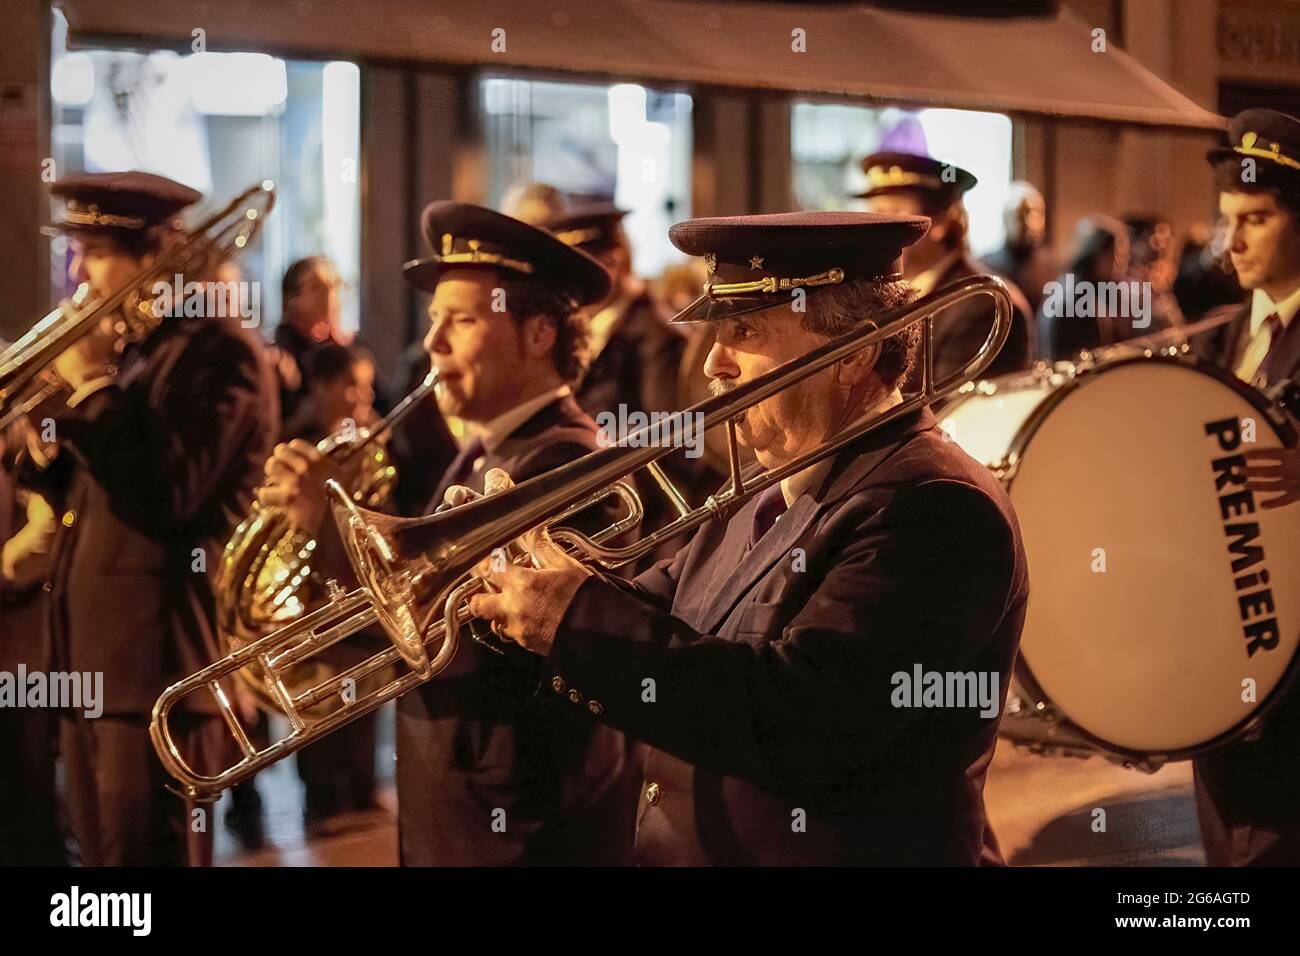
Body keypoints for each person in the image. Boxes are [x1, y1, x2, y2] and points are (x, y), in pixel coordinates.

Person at [463, 211, 1029, 865]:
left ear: (856, 353)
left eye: (745, 331)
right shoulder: (759, 486)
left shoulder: (936, 510)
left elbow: (797, 721)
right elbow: (656, 611)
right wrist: (519, 583)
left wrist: (576, 617)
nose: (713, 364)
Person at [257, 202, 636, 865]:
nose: (432, 342)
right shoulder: (484, 452)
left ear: (540, 333)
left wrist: (328, 526)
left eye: (460, 321)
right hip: (462, 811)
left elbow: (466, 630)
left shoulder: (564, 461)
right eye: (435, 320)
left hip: (516, 826)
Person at [17, 171, 279, 865]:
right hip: (91, 661)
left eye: (96, 250)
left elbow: (169, 494)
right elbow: (97, 497)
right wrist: (41, 446)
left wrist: (94, 388)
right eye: (77, 249)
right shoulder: (135, 354)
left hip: (160, 672)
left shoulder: (222, 354)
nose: (77, 272)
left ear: (157, 260)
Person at [1193, 108, 1300, 866]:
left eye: (1256, 219)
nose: (1233, 242)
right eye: (1228, 218)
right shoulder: (1226, 334)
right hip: (1225, 653)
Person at [544, 202, 701, 566]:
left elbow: (675, 450)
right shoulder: (592, 331)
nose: (564, 288)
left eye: (575, 272)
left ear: (613, 262)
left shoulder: (656, 337)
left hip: (640, 540)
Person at [858, 152, 1034, 384]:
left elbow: (948, 412)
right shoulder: (875, 295)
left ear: (939, 222)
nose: (876, 231)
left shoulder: (982, 302)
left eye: (893, 214)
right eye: (873, 215)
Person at [1037, 215, 1131, 361]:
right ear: (1098, 253)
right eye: (1117, 254)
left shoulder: (1068, 284)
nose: (1122, 262)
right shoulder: (1079, 298)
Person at [271, 256, 350, 422]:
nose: (328, 295)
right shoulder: (281, 354)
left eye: (332, 286)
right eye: (316, 288)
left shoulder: (343, 347)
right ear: (292, 299)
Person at [983, 181, 1058, 317]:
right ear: (1006, 218)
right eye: (1019, 214)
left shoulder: (1052, 269)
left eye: (1034, 214)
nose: (1027, 222)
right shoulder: (986, 268)